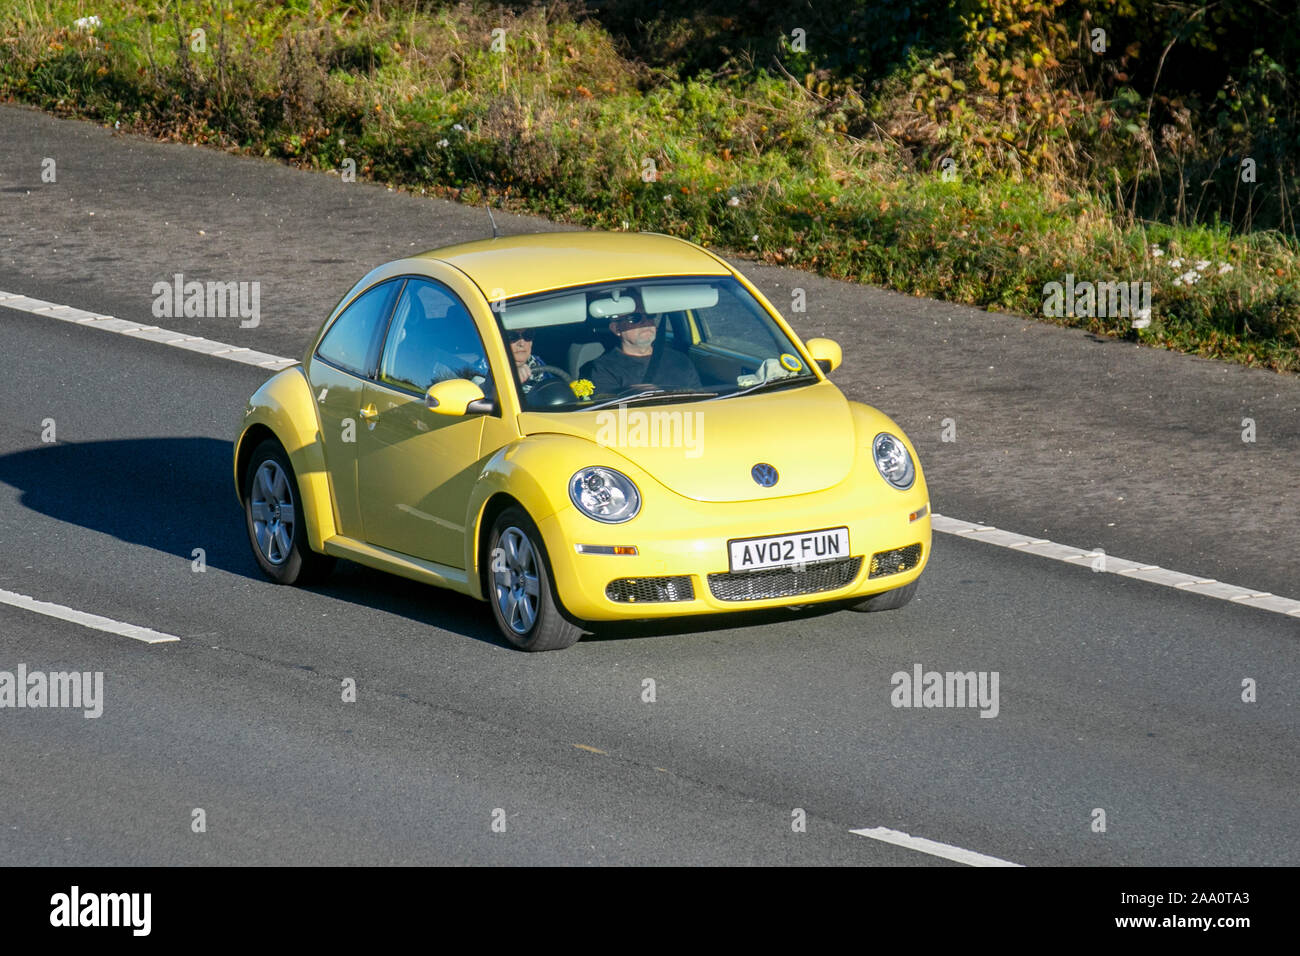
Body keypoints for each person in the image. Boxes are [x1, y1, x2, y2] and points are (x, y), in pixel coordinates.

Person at [581, 311, 702, 394]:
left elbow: (699, 400)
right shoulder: (602, 367)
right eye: (635, 318)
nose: (646, 322)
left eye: (649, 316)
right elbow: (608, 410)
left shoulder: (680, 360)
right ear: (616, 329)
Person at [508, 328, 550, 394]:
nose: (521, 344)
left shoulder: (538, 363)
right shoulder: (489, 369)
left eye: (527, 335)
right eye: (512, 337)